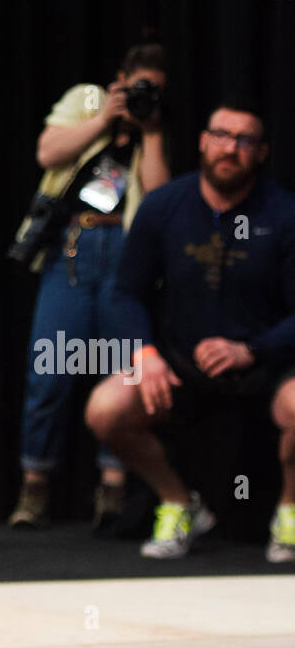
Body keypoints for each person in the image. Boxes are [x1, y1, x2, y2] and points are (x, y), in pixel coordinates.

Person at [86, 103, 295, 561]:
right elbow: (125, 293)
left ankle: (289, 513)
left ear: (260, 152)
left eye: (244, 140)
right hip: (179, 366)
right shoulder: (165, 205)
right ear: (203, 141)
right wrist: (145, 354)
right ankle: (179, 503)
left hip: (267, 368)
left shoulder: (283, 213)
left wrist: (252, 350)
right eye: (222, 135)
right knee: (106, 408)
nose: (231, 148)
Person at [8, 44, 170, 532]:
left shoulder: (151, 128)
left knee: (121, 371)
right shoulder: (87, 101)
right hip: (74, 247)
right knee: (49, 370)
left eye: (155, 91)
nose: (144, 96)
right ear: (118, 79)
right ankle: (35, 488)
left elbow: (159, 199)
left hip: (125, 247)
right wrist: (106, 119)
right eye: (138, 86)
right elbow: (47, 151)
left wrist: (153, 131)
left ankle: (113, 491)